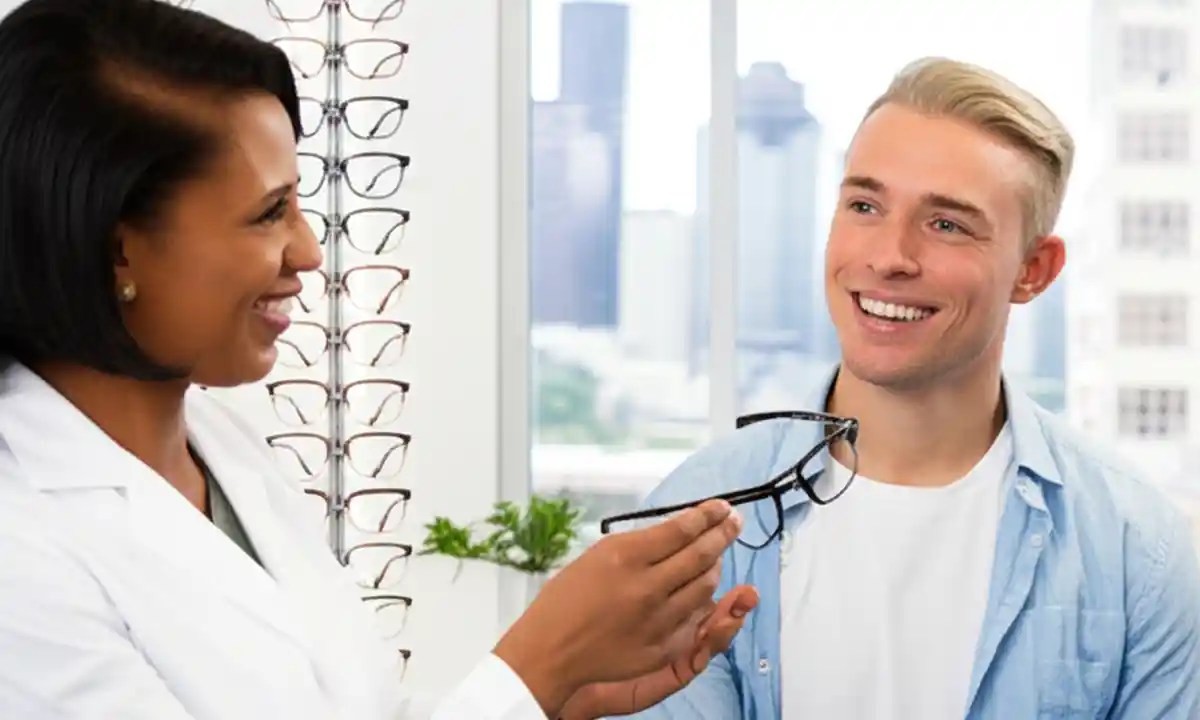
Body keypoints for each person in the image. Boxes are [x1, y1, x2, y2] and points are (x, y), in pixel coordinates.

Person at [0, 1, 758, 719]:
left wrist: (558, 699)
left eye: (299, 205)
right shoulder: (21, 553)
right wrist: (537, 663)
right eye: (269, 214)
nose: (307, 250)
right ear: (118, 247)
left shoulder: (224, 448)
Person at [617, 57, 1200, 718]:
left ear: (1033, 270)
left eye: (946, 224)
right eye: (865, 206)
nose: (888, 257)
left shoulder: (1133, 544)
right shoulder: (689, 522)